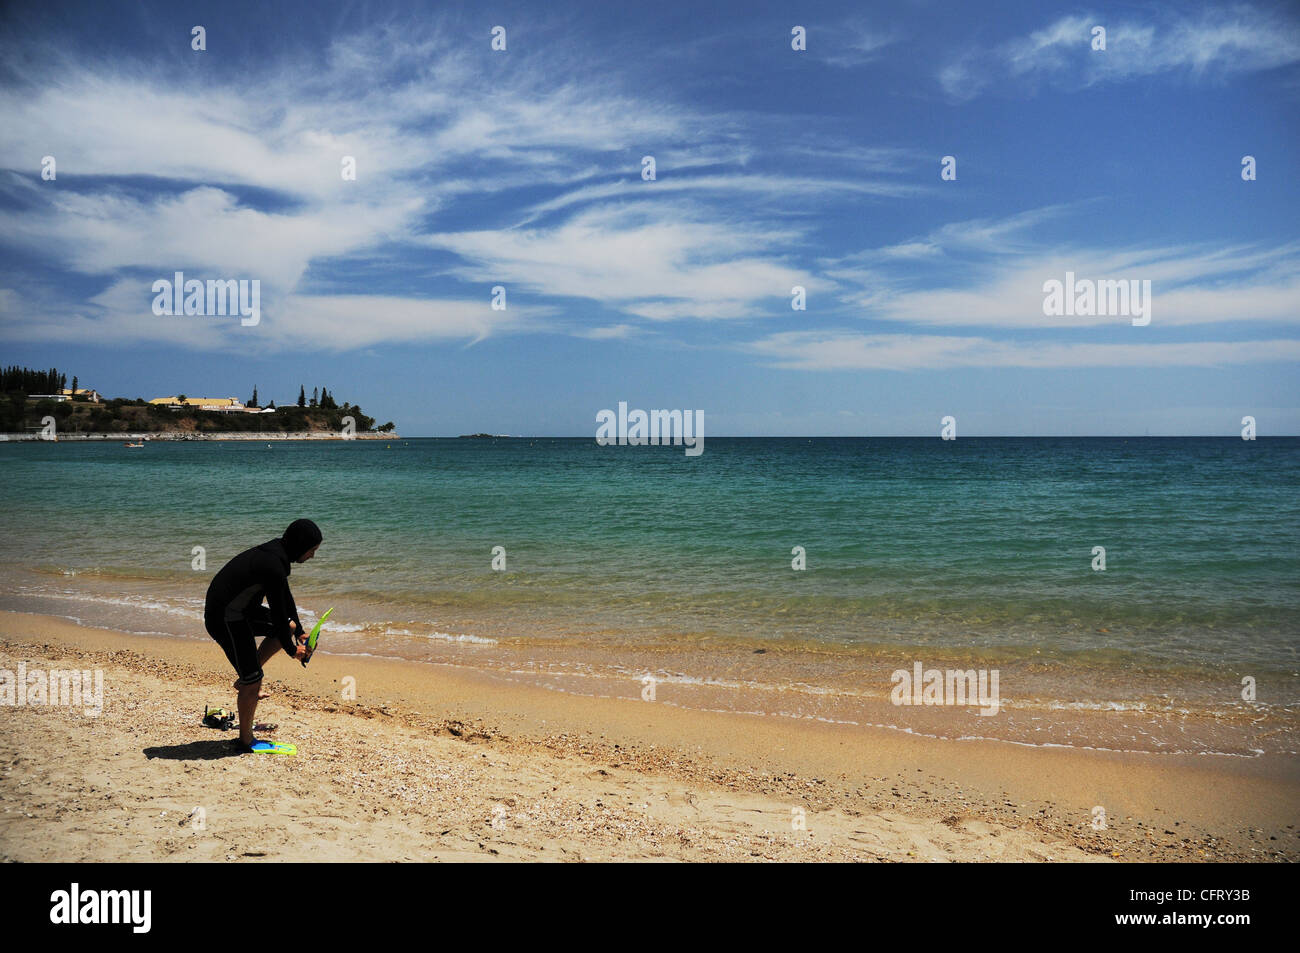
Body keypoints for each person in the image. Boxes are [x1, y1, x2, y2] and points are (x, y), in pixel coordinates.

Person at [204, 519, 322, 752]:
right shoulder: (273, 564)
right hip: (225, 618)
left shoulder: (277, 556)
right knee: (254, 678)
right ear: (301, 546)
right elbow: (278, 613)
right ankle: (245, 740)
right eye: (312, 550)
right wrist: (292, 651)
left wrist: (299, 632)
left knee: (285, 630)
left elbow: (285, 600)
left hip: (240, 611)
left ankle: (247, 678)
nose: (312, 556)